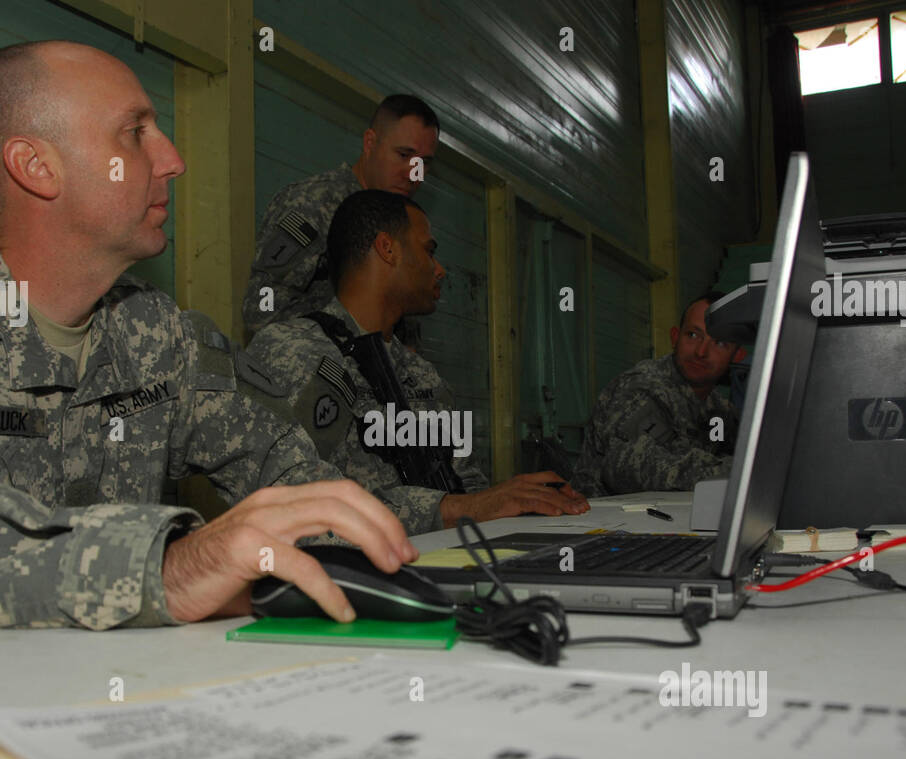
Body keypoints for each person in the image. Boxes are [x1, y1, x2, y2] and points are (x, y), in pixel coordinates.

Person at [0, 41, 416, 631]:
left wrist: (364, 543)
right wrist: (159, 567)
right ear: (37, 167)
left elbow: (283, 461)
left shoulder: (160, 335)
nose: (173, 159)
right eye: (136, 133)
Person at [247, 189, 589, 534]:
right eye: (429, 251)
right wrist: (455, 509)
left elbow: (465, 485)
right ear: (388, 248)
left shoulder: (421, 375)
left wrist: (521, 504)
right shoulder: (293, 351)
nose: (439, 270)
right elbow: (295, 503)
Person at [241, 94, 440, 335]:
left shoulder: (403, 220)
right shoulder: (314, 204)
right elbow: (261, 307)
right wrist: (330, 343)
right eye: (403, 155)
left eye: (423, 163)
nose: (413, 174)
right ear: (370, 143)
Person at [573, 293, 744, 496]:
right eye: (693, 335)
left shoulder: (720, 409)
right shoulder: (641, 388)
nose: (701, 352)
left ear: (738, 355)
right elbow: (629, 466)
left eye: (720, 343)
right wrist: (738, 472)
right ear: (674, 337)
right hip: (602, 519)